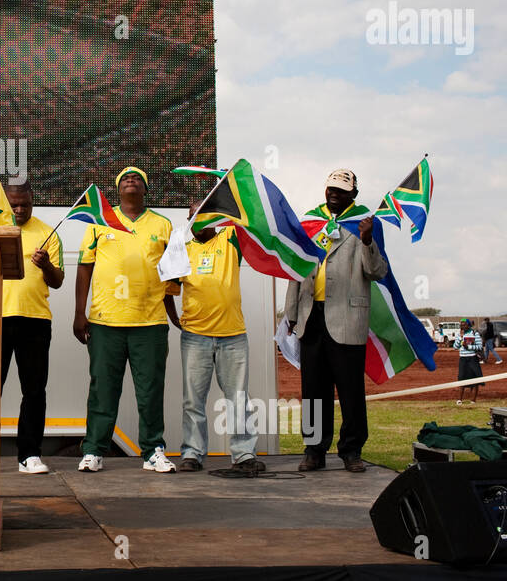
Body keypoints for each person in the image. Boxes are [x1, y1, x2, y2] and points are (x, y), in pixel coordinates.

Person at [74, 166, 177, 473]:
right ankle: (93, 450)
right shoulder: (99, 221)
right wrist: (80, 312)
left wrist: (174, 317)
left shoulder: (163, 224)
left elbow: (170, 277)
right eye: (125, 178)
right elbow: (84, 267)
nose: (131, 180)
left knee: (150, 391)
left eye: (137, 178)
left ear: (145, 189)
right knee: (103, 390)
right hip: (106, 322)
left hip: (150, 322)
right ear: (118, 190)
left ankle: (153, 450)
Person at [284, 168, 387, 473]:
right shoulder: (310, 222)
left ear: (353, 195)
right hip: (310, 315)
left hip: (347, 316)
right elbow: (296, 268)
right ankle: (314, 450)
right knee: (314, 388)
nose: (333, 194)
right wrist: (291, 313)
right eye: (331, 188)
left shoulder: (364, 224)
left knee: (350, 388)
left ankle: (352, 451)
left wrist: (367, 241)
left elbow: (376, 271)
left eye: (341, 190)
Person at [164, 215, 264, 475]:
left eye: (205, 215)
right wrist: (176, 319)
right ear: (188, 222)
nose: (198, 221)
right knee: (193, 401)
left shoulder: (230, 239)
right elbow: (168, 290)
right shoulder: (183, 251)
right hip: (195, 337)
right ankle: (192, 453)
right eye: (193, 217)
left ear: (216, 218)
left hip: (233, 336)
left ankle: (243, 454)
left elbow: (246, 219)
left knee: (238, 399)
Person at [1, 180, 64, 474]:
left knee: (35, 389)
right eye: (13, 204)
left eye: (25, 204)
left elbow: (57, 280)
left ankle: (30, 454)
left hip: (35, 320)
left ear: (32, 201)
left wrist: (47, 265)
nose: (19, 209)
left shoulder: (46, 232)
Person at [455, 318, 483, 405]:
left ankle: (473, 401)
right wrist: (460, 337)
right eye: (461, 325)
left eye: (464, 324)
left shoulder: (475, 333)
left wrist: (469, 347)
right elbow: (455, 347)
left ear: (468, 325)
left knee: (474, 380)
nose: (462, 326)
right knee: (461, 379)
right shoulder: (459, 334)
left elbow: (480, 346)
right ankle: (459, 400)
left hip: (472, 359)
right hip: (463, 359)